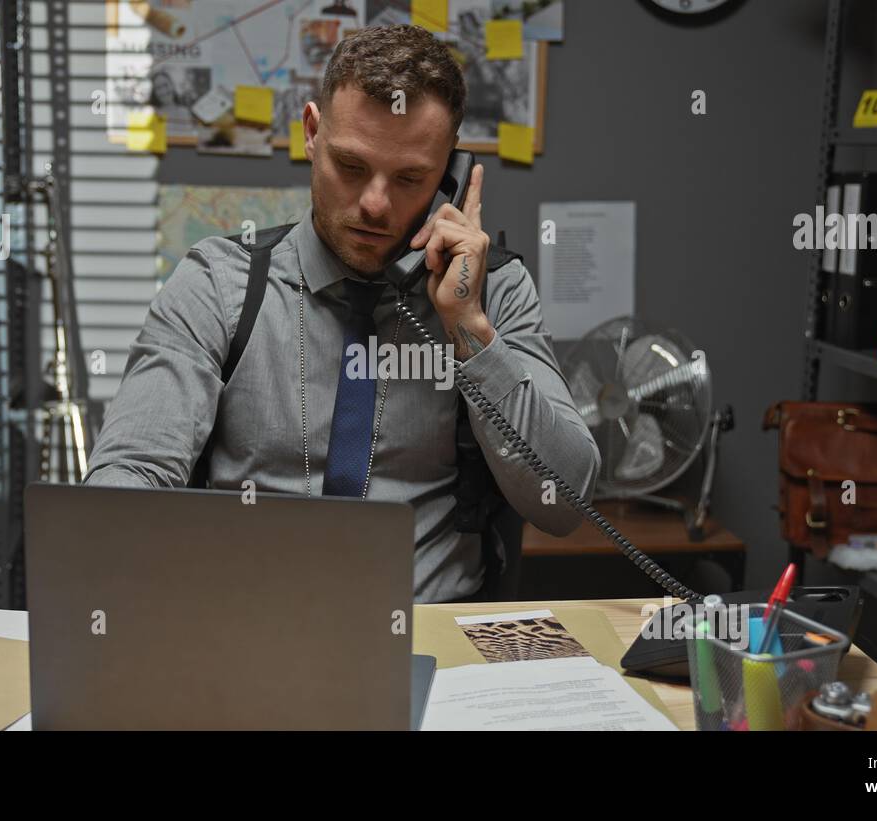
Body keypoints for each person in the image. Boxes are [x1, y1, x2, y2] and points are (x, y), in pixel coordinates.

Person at [86, 24, 599, 603]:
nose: (376, 204)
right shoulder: (218, 284)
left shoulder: (494, 293)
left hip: (430, 633)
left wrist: (469, 330)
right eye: (351, 167)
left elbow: (565, 507)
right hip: (250, 628)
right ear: (311, 133)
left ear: (449, 178)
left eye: (410, 178)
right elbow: (126, 482)